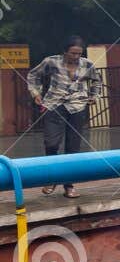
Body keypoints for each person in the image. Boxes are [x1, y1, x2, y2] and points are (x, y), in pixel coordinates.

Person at [27, 35, 103, 198]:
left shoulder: (87, 65)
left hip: (77, 107)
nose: (76, 57)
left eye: (79, 53)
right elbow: (33, 76)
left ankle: (69, 185)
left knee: (73, 147)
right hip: (54, 106)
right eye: (73, 53)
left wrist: (94, 96)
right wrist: (36, 93)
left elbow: (97, 81)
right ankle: (51, 178)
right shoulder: (51, 62)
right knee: (52, 144)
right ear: (64, 52)